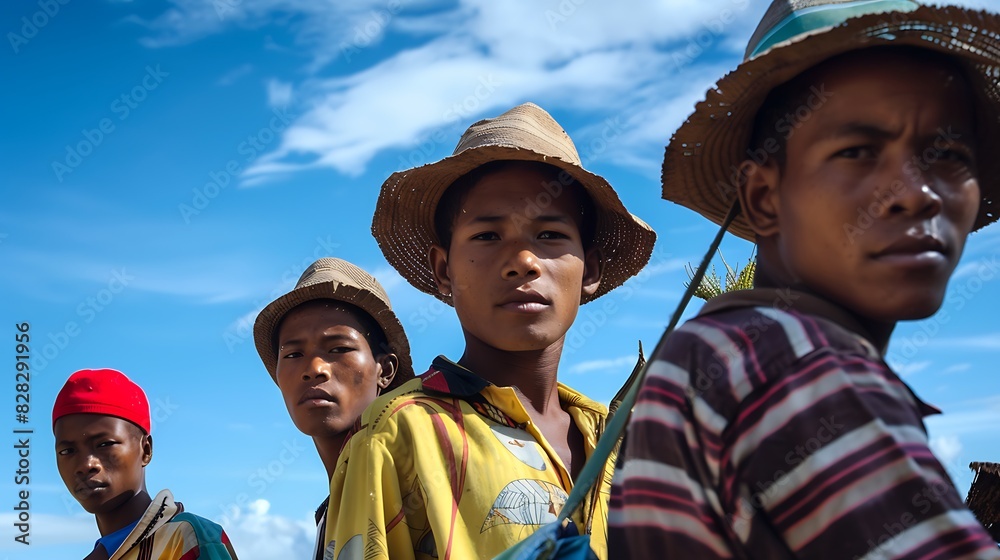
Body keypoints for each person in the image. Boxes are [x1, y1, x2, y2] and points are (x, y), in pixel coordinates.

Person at [609, 1, 1000, 558]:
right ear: (766, 197)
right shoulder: (789, 363)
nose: (918, 193)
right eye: (858, 152)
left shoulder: (723, 350)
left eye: (949, 155)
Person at [324, 102, 656, 559]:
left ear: (590, 269)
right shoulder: (396, 437)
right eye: (487, 236)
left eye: (549, 235)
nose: (522, 261)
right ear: (443, 270)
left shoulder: (626, 443)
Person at [252, 257, 414, 560]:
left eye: (338, 349)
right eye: (293, 354)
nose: (314, 369)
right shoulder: (332, 511)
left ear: (385, 370)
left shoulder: (419, 481)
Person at [53, 368, 239, 560]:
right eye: (67, 451)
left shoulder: (188, 539)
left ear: (146, 450)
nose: (86, 464)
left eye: (105, 444)